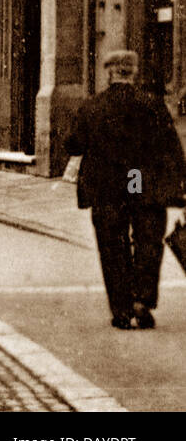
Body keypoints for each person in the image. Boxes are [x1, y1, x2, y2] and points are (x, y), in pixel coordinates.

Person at [62, 50, 186, 330]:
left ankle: (121, 309)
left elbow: (74, 145)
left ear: (110, 73)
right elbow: (172, 149)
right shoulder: (152, 104)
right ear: (133, 72)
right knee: (148, 242)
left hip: (108, 189)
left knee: (112, 245)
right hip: (144, 186)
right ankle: (142, 301)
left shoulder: (93, 106)